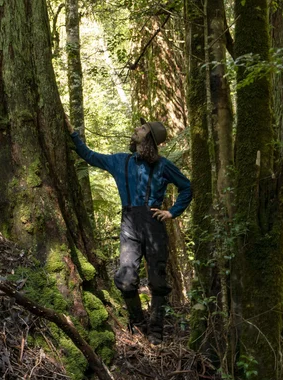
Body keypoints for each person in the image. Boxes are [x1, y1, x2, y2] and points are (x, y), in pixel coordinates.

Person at [64, 117, 192, 344]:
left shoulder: (163, 165)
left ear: (150, 139)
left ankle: (156, 331)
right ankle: (138, 322)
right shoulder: (120, 161)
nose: (136, 128)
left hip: (154, 226)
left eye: (142, 128)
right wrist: (73, 133)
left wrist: (171, 212)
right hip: (130, 225)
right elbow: (89, 156)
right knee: (126, 278)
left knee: (158, 280)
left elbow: (187, 187)